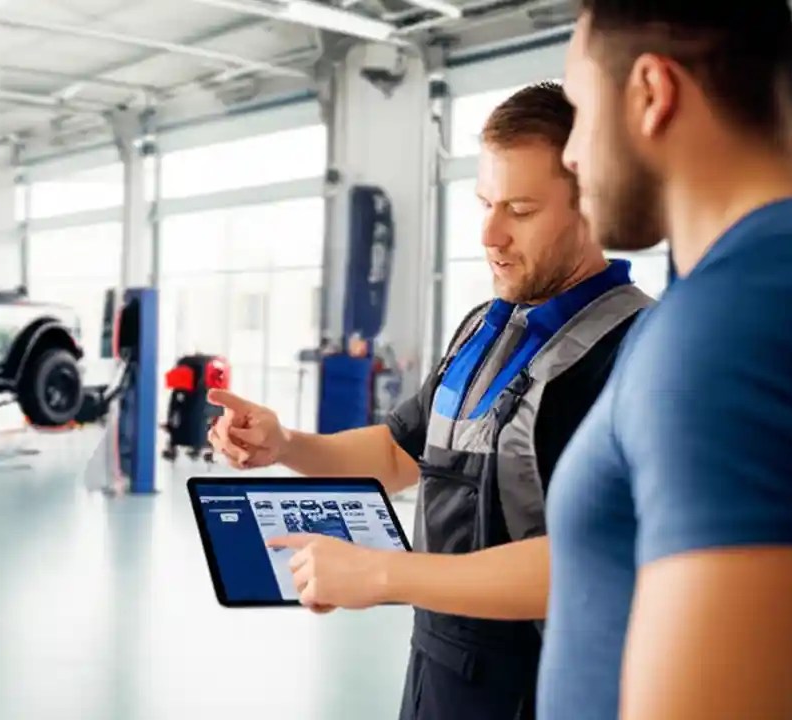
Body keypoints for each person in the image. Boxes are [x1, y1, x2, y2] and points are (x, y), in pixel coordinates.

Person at [208, 83, 653, 720]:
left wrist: (386, 575)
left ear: (595, 207)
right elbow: (399, 451)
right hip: (440, 670)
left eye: (521, 210)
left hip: (549, 687)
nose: (490, 233)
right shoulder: (486, 327)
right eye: (484, 203)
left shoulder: (637, 351)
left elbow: (600, 557)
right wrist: (287, 446)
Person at [542, 2, 792, 719]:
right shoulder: (769, 287)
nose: (572, 154)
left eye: (578, 109)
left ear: (651, 92)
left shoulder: (755, 319)